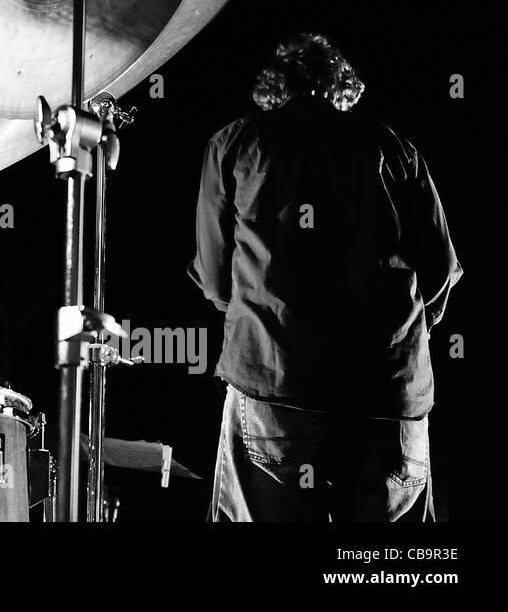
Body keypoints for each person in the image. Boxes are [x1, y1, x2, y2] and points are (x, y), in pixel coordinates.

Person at [189, 32, 462, 521]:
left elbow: (213, 278)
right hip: (388, 395)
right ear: (341, 88)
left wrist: (263, 317)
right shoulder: (394, 147)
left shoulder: (236, 142)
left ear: (276, 86)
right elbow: (441, 269)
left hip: (274, 383)